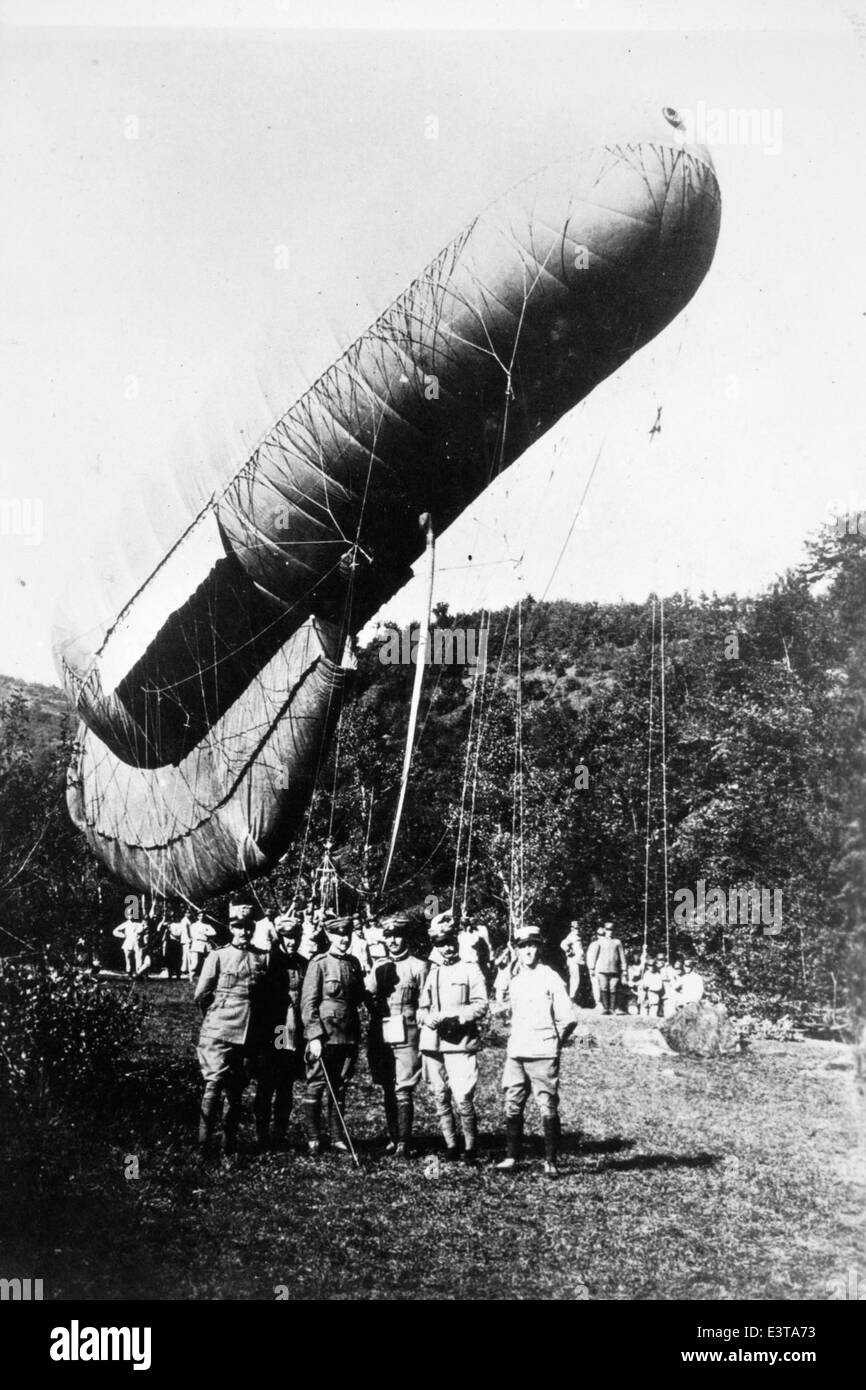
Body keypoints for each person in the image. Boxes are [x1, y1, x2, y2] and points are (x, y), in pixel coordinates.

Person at [495, 924, 579, 1177]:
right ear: (517, 951)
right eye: (523, 947)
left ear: (539, 948)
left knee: (547, 1106)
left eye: (532, 946)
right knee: (512, 1103)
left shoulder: (550, 977)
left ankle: (550, 1161)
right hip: (517, 1051)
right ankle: (511, 1157)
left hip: (543, 1052)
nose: (528, 951)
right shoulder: (516, 980)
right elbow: (510, 1012)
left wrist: (554, 1043)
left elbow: (568, 1019)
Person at [194, 905, 272, 1158]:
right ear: (231, 929)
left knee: (236, 1090)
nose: (244, 932)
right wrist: (216, 1016)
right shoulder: (218, 956)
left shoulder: (261, 957)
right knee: (214, 1085)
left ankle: (230, 1143)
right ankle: (204, 1145)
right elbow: (202, 995)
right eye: (239, 927)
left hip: (248, 1034)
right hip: (218, 1030)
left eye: (249, 927)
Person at [417, 910, 488, 1166]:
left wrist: (457, 1016)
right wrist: (428, 1017)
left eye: (450, 944)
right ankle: (451, 1144)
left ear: (456, 944)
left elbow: (481, 1004)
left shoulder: (470, 969)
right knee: (440, 1095)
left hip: (459, 1042)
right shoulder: (433, 973)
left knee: (463, 1097)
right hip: (433, 1043)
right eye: (441, 945)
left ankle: (470, 1146)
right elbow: (421, 1007)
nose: (447, 949)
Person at [300, 915, 366, 1156]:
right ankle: (314, 1138)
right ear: (329, 936)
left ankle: (338, 1137)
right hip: (325, 1037)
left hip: (347, 1036)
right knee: (316, 1085)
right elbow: (308, 1004)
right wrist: (314, 1036)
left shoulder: (353, 963)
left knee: (340, 1087)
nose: (344, 939)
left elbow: (357, 998)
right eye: (338, 935)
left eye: (347, 934)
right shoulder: (318, 963)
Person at [365, 914, 429, 1158]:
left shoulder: (419, 966)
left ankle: (404, 1141)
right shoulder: (379, 966)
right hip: (383, 1030)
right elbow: (370, 996)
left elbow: (426, 1001)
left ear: (406, 937)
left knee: (404, 1086)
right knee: (388, 1085)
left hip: (408, 1030)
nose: (393, 941)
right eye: (389, 936)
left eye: (397, 936)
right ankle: (393, 1137)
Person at [254, 914, 307, 1150]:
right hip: (275, 1028)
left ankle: (279, 1135)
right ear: (279, 938)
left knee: (286, 1083)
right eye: (287, 938)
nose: (292, 942)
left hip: (295, 1028)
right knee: (268, 1080)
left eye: (295, 937)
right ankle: (262, 1135)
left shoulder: (303, 963)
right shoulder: (269, 962)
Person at [586, 922, 627, 1015]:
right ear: (604, 930)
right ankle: (605, 1008)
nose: (610, 932)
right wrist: (592, 968)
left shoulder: (617, 942)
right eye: (608, 930)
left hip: (614, 970)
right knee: (603, 988)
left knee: (613, 988)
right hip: (602, 969)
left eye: (612, 930)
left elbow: (622, 957)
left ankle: (613, 1008)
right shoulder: (599, 942)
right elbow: (594, 956)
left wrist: (624, 970)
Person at [188, 910, 218, 982]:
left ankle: (207, 977)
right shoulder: (194, 925)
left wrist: (205, 932)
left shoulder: (207, 925)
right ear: (198, 917)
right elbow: (193, 935)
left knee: (209, 961)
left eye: (203, 916)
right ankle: (191, 976)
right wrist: (202, 934)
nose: (201, 917)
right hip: (197, 944)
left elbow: (214, 933)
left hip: (206, 944)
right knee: (195, 962)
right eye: (200, 916)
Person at [561, 920, 586, 1002]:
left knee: (577, 979)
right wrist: (569, 952)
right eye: (575, 928)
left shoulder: (577, 936)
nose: (577, 930)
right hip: (574, 961)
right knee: (575, 979)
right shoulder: (571, 936)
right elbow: (563, 944)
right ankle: (572, 998)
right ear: (572, 928)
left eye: (578, 928)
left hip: (578, 961)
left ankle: (576, 998)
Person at [164, 911, 191, 980]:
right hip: (170, 943)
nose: (174, 918)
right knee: (169, 959)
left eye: (175, 917)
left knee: (178, 959)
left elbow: (178, 934)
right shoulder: (170, 924)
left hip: (177, 943)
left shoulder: (180, 924)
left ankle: (178, 975)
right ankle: (170, 975)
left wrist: (170, 930)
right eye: (172, 917)